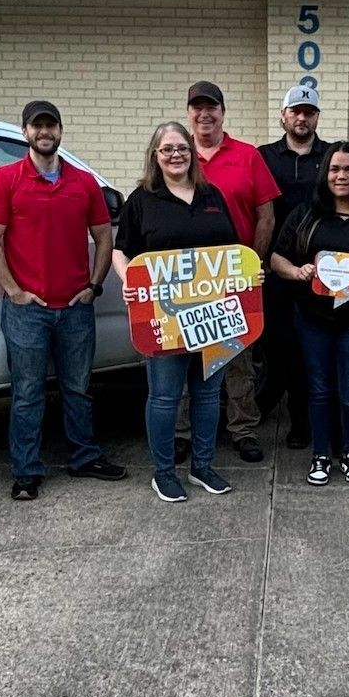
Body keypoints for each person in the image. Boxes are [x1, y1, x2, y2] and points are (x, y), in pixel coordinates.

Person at [0, 98, 126, 502]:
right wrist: (13, 290)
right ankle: (26, 471)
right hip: (28, 311)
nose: (45, 133)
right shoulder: (4, 181)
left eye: (51, 126)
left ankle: (85, 457)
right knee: (27, 393)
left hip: (75, 308)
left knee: (78, 388)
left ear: (60, 131)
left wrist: (94, 286)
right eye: (37, 126)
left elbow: (104, 236)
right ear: (25, 132)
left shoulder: (82, 183)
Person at [112, 121, 238, 504]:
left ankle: (202, 466)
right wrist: (127, 279)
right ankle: (163, 473)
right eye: (167, 149)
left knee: (208, 395)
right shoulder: (142, 200)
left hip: (212, 315)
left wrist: (248, 277)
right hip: (165, 317)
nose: (175, 154)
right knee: (165, 396)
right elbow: (122, 250)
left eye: (181, 147)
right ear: (156, 155)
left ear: (192, 152)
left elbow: (231, 252)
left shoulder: (211, 195)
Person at [269, 141, 349, 487]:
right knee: (319, 389)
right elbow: (277, 258)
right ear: (325, 173)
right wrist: (297, 272)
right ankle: (321, 455)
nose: (342, 176)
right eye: (335, 169)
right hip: (313, 319)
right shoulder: (305, 215)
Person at [185, 81, 279, 463]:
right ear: (189, 112)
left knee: (238, 359)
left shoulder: (247, 156)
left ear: (223, 112)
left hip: (234, 277)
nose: (205, 114)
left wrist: (251, 264)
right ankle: (182, 432)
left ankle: (242, 430)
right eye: (197, 107)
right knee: (187, 358)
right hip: (187, 280)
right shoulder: (176, 153)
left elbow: (266, 215)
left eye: (212, 107)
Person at [257, 77, 330, 450]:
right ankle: (266, 403)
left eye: (309, 112)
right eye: (296, 111)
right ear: (283, 116)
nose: (302, 118)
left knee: (310, 349)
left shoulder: (333, 156)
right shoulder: (263, 157)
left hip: (322, 272)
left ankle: (301, 421)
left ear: (317, 117)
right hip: (275, 269)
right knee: (275, 344)